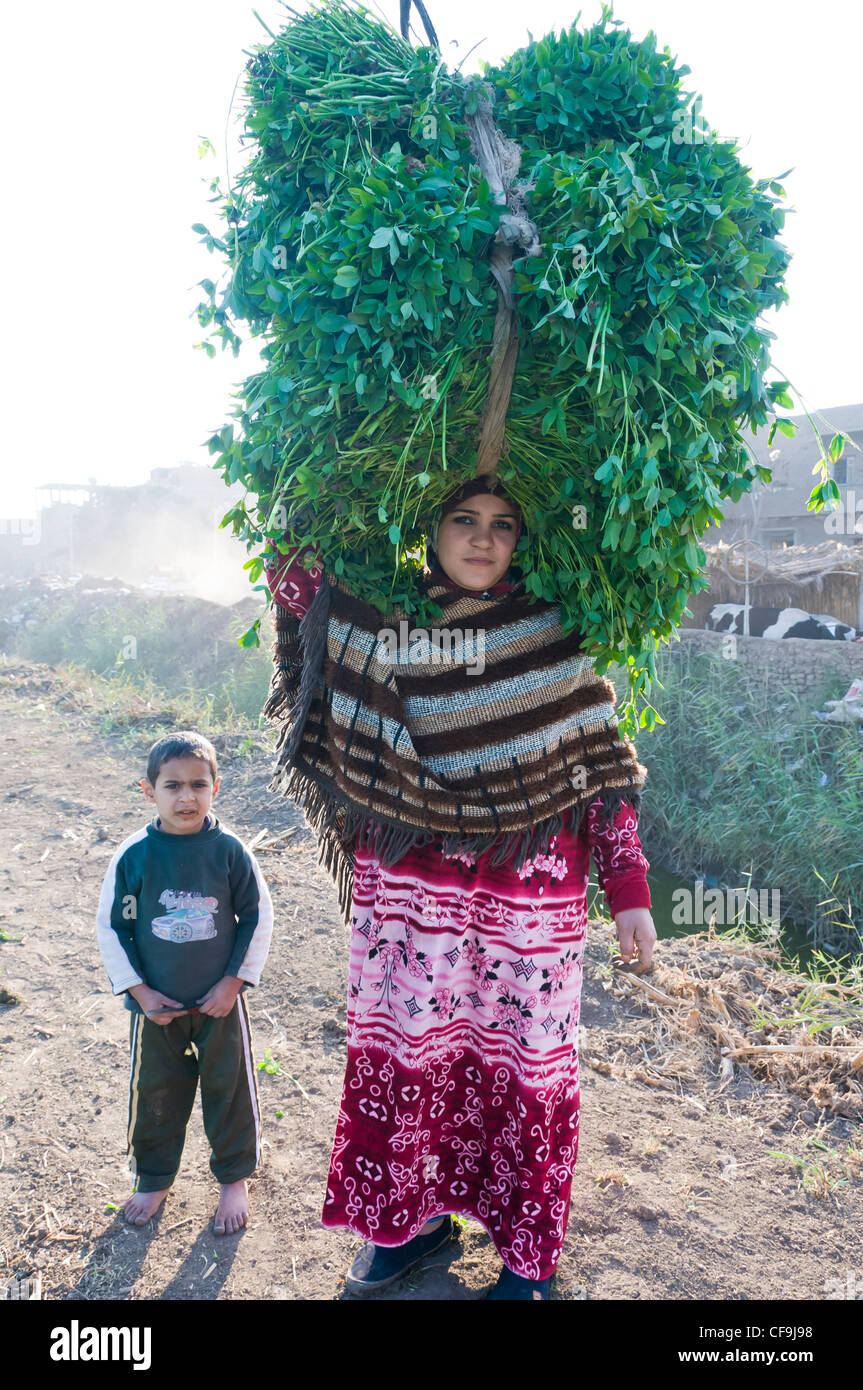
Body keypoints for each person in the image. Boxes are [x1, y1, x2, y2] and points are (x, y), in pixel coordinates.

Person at [265, 476, 656, 1299]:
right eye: (463, 520)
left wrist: (630, 892)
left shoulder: (554, 638)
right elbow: (301, 607)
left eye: (502, 525)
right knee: (409, 1052)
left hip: (529, 906)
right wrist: (299, 501)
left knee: (525, 1064)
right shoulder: (385, 629)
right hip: (414, 898)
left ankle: (524, 1257)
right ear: (432, 531)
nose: (482, 539)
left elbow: (600, 770)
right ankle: (404, 1230)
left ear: (520, 541)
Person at [95, 731, 274, 1234]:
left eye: (198, 784)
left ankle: (233, 1178)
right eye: (172, 785)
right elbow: (115, 926)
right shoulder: (135, 855)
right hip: (157, 1006)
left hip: (219, 1003)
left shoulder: (230, 851)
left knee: (229, 1087)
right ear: (148, 790)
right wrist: (141, 992)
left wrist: (233, 984)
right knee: (155, 1091)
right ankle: (154, 1178)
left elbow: (257, 917)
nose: (186, 797)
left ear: (216, 786)